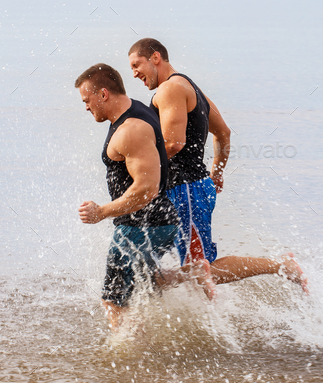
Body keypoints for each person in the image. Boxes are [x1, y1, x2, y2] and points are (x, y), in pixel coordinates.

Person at [128, 38, 308, 296]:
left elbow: (173, 144)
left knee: (201, 268)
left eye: (137, 64)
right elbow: (223, 132)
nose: (134, 73)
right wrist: (217, 173)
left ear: (156, 57)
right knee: (178, 268)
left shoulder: (169, 90)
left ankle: (282, 265)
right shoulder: (190, 86)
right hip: (190, 188)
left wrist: (134, 172)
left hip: (185, 189)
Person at [75, 63, 180, 331]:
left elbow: (147, 188)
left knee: (113, 301)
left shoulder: (130, 129)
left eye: (87, 100)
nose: (86, 107)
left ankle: (126, 360)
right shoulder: (132, 114)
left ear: (103, 94)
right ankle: (193, 276)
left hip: (140, 227)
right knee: (150, 284)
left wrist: (103, 211)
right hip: (155, 223)